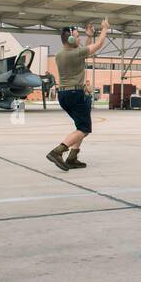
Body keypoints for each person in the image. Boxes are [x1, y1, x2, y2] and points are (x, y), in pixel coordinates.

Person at [47, 20, 107, 171]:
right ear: (71, 39)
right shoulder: (75, 52)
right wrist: (104, 29)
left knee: (80, 128)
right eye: (77, 36)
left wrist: (88, 36)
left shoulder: (61, 53)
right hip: (76, 95)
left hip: (64, 94)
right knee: (84, 129)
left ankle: (73, 157)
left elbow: (83, 50)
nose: (79, 39)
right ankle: (58, 151)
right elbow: (97, 45)